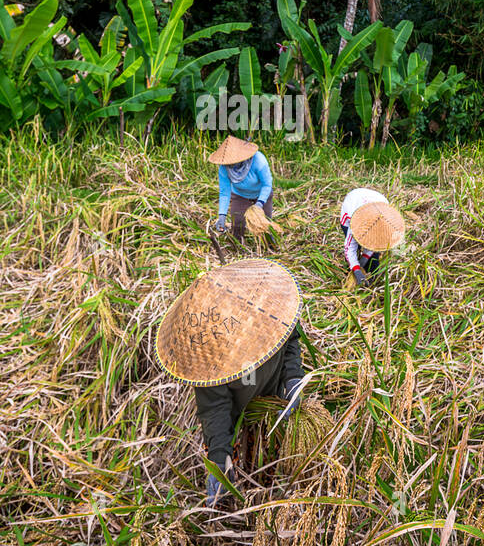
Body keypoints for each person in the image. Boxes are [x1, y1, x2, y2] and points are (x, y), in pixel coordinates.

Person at [154, 258, 305, 507]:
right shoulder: (209, 360)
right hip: (240, 419)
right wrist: (219, 456)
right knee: (245, 463)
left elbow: (291, 340)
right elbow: (214, 408)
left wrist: (294, 378)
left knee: (274, 462)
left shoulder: (270, 312)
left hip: (275, 401)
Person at [209, 136, 273, 240]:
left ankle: (269, 248)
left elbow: (267, 184)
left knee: (265, 225)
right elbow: (224, 192)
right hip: (240, 195)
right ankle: (238, 250)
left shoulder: (259, 161)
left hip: (261, 194)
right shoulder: (224, 168)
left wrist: (260, 203)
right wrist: (222, 216)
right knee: (237, 225)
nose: (230, 164)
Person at [339, 188, 406, 287]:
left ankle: (372, 282)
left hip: (376, 200)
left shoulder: (387, 220)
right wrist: (357, 269)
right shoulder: (354, 221)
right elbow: (349, 249)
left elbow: (377, 244)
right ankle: (351, 272)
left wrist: (364, 259)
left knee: (374, 259)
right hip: (353, 202)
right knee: (355, 250)